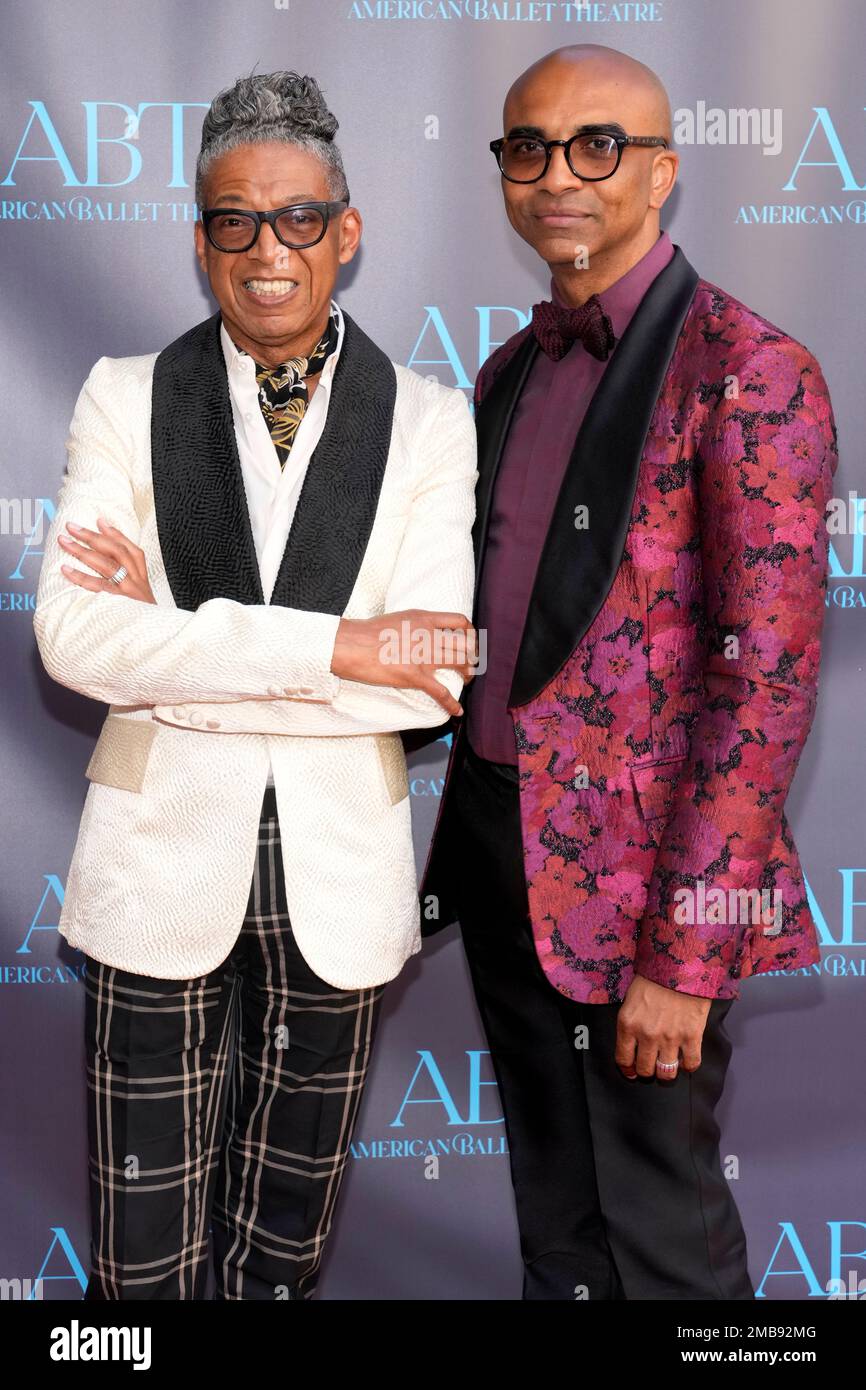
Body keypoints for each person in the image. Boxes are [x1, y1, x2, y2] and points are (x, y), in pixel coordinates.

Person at [33, 70, 476, 1300]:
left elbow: (432, 680)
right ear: (201, 239)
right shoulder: (126, 396)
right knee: (144, 1258)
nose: (266, 250)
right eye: (235, 219)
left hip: (342, 886)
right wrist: (338, 648)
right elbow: (73, 640)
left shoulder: (431, 418)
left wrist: (171, 635)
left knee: (280, 1256)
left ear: (345, 230)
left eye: (296, 219)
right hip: (153, 870)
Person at [421, 44, 838, 1300]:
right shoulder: (509, 370)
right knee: (558, 1221)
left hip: (651, 899)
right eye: (528, 147)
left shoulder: (746, 368)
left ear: (659, 171)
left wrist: (685, 956)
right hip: (504, 858)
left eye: (596, 145)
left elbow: (761, 685)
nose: (559, 175)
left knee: (661, 1238)